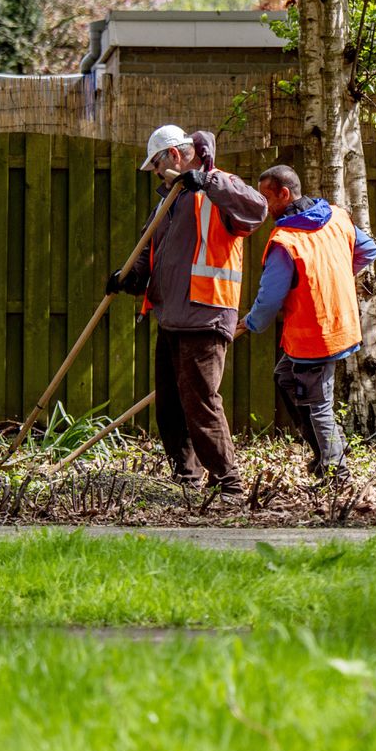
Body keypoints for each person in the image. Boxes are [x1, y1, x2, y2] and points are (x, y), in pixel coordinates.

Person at [107, 125, 267, 501]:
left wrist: (208, 182)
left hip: (205, 311)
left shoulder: (217, 186)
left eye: (158, 165)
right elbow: (152, 248)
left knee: (200, 401)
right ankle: (187, 479)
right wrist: (128, 277)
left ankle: (230, 484)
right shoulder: (171, 198)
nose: (158, 174)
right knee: (170, 405)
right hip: (172, 314)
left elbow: (257, 209)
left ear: (174, 156)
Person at [237, 165, 376, 486]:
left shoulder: (286, 241)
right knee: (285, 377)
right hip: (339, 325)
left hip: (315, 336)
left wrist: (251, 322)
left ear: (284, 195)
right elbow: (369, 249)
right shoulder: (336, 217)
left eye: (266, 197)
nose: (263, 205)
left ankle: (336, 473)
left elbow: (270, 299)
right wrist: (338, 272)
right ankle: (323, 453)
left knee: (318, 405)